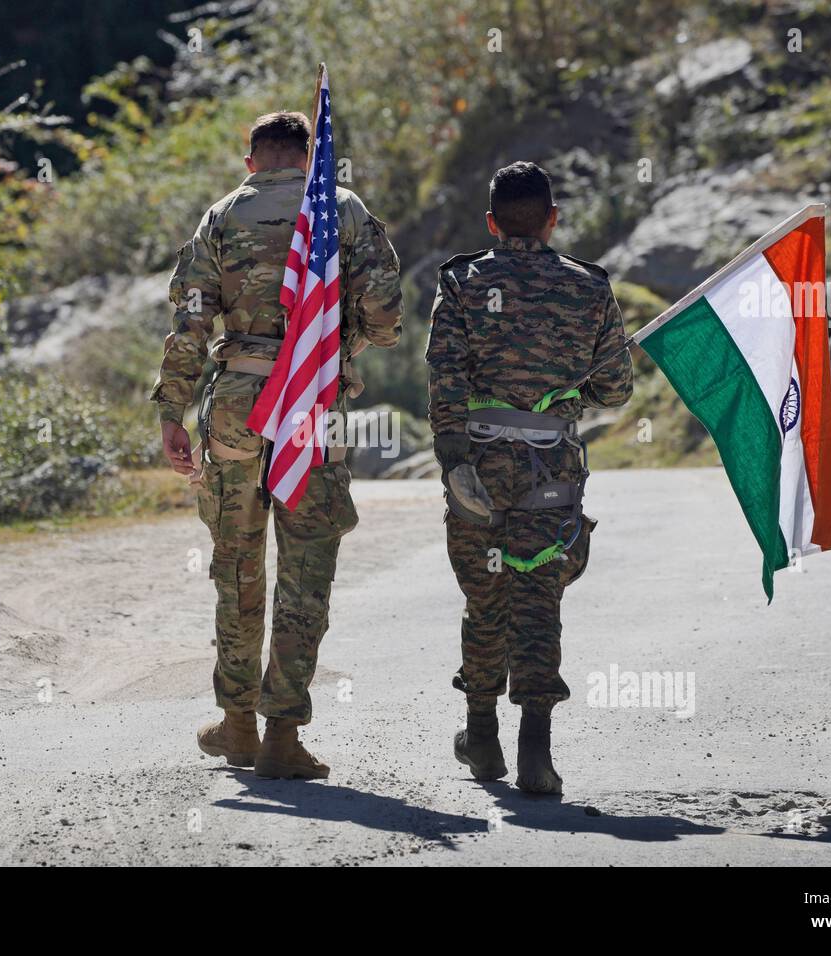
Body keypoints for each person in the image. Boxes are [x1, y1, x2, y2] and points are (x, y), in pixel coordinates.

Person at [150, 111, 403, 779]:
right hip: (311, 408)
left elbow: (189, 321)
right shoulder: (342, 209)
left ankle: (237, 727)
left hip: (237, 406)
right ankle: (283, 735)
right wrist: (345, 332)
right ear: (309, 155)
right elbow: (384, 315)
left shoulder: (222, 215)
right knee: (306, 571)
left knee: (237, 568)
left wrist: (172, 411)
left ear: (251, 158)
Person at [425, 161, 633, 794]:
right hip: (552, 468)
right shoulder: (588, 288)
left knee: (485, 598)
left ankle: (481, 737)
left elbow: (445, 381)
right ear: (552, 219)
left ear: (491, 222)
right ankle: (536, 748)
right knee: (537, 596)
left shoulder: (462, 283)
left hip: (478, 467)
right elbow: (616, 389)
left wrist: (455, 462)